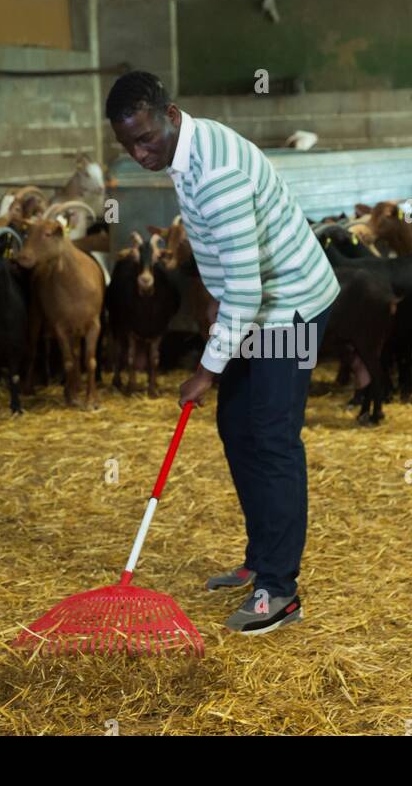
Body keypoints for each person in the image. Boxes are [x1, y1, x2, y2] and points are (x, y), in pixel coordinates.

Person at [107, 71, 340, 635]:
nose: (140, 154)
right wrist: (213, 305)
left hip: (292, 305)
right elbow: (223, 257)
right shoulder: (183, 150)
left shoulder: (216, 173)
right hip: (257, 305)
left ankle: (280, 590)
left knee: (271, 436)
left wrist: (205, 370)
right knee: (237, 426)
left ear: (171, 113)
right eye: (127, 144)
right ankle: (261, 559)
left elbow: (247, 290)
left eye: (146, 139)